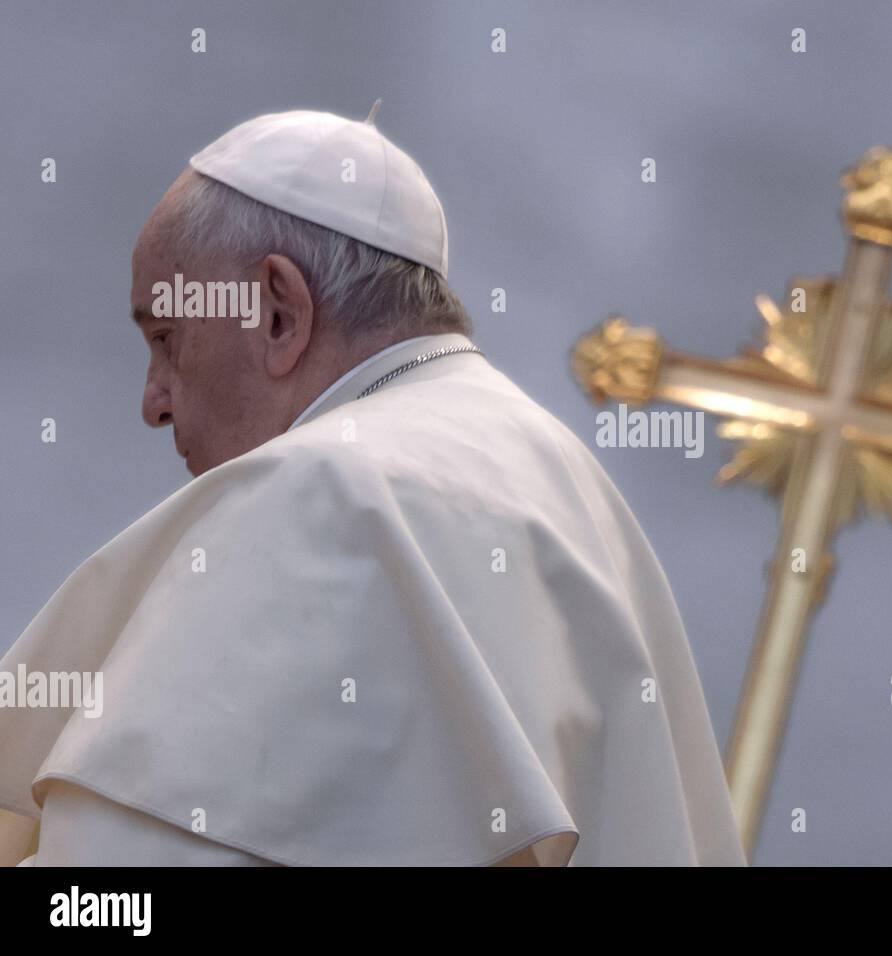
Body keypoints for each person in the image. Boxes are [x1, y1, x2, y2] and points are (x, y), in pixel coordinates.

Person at [0, 108, 745, 866]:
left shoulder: (323, 495)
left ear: (279, 313)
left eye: (166, 339)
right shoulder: (566, 476)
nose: (154, 402)